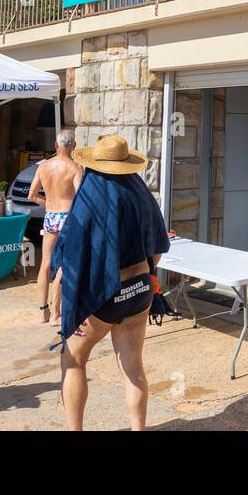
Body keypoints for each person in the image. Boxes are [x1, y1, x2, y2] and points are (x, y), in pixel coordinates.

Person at [54, 134, 169, 431]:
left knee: (73, 359)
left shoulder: (92, 190)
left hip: (105, 294)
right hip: (141, 287)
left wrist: (72, 304)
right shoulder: (141, 192)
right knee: (132, 366)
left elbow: (73, 249)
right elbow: (157, 247)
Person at [30, 129, 84, 325]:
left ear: (55, 145)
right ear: (74, 146)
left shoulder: (44, 166)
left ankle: (42, 311)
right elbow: (80, 197)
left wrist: (50, 202)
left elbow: (32, 195)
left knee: (45, 263)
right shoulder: (76, 167)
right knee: (64, 264)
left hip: (51, 215)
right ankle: (55, 313)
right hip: (68, 217)